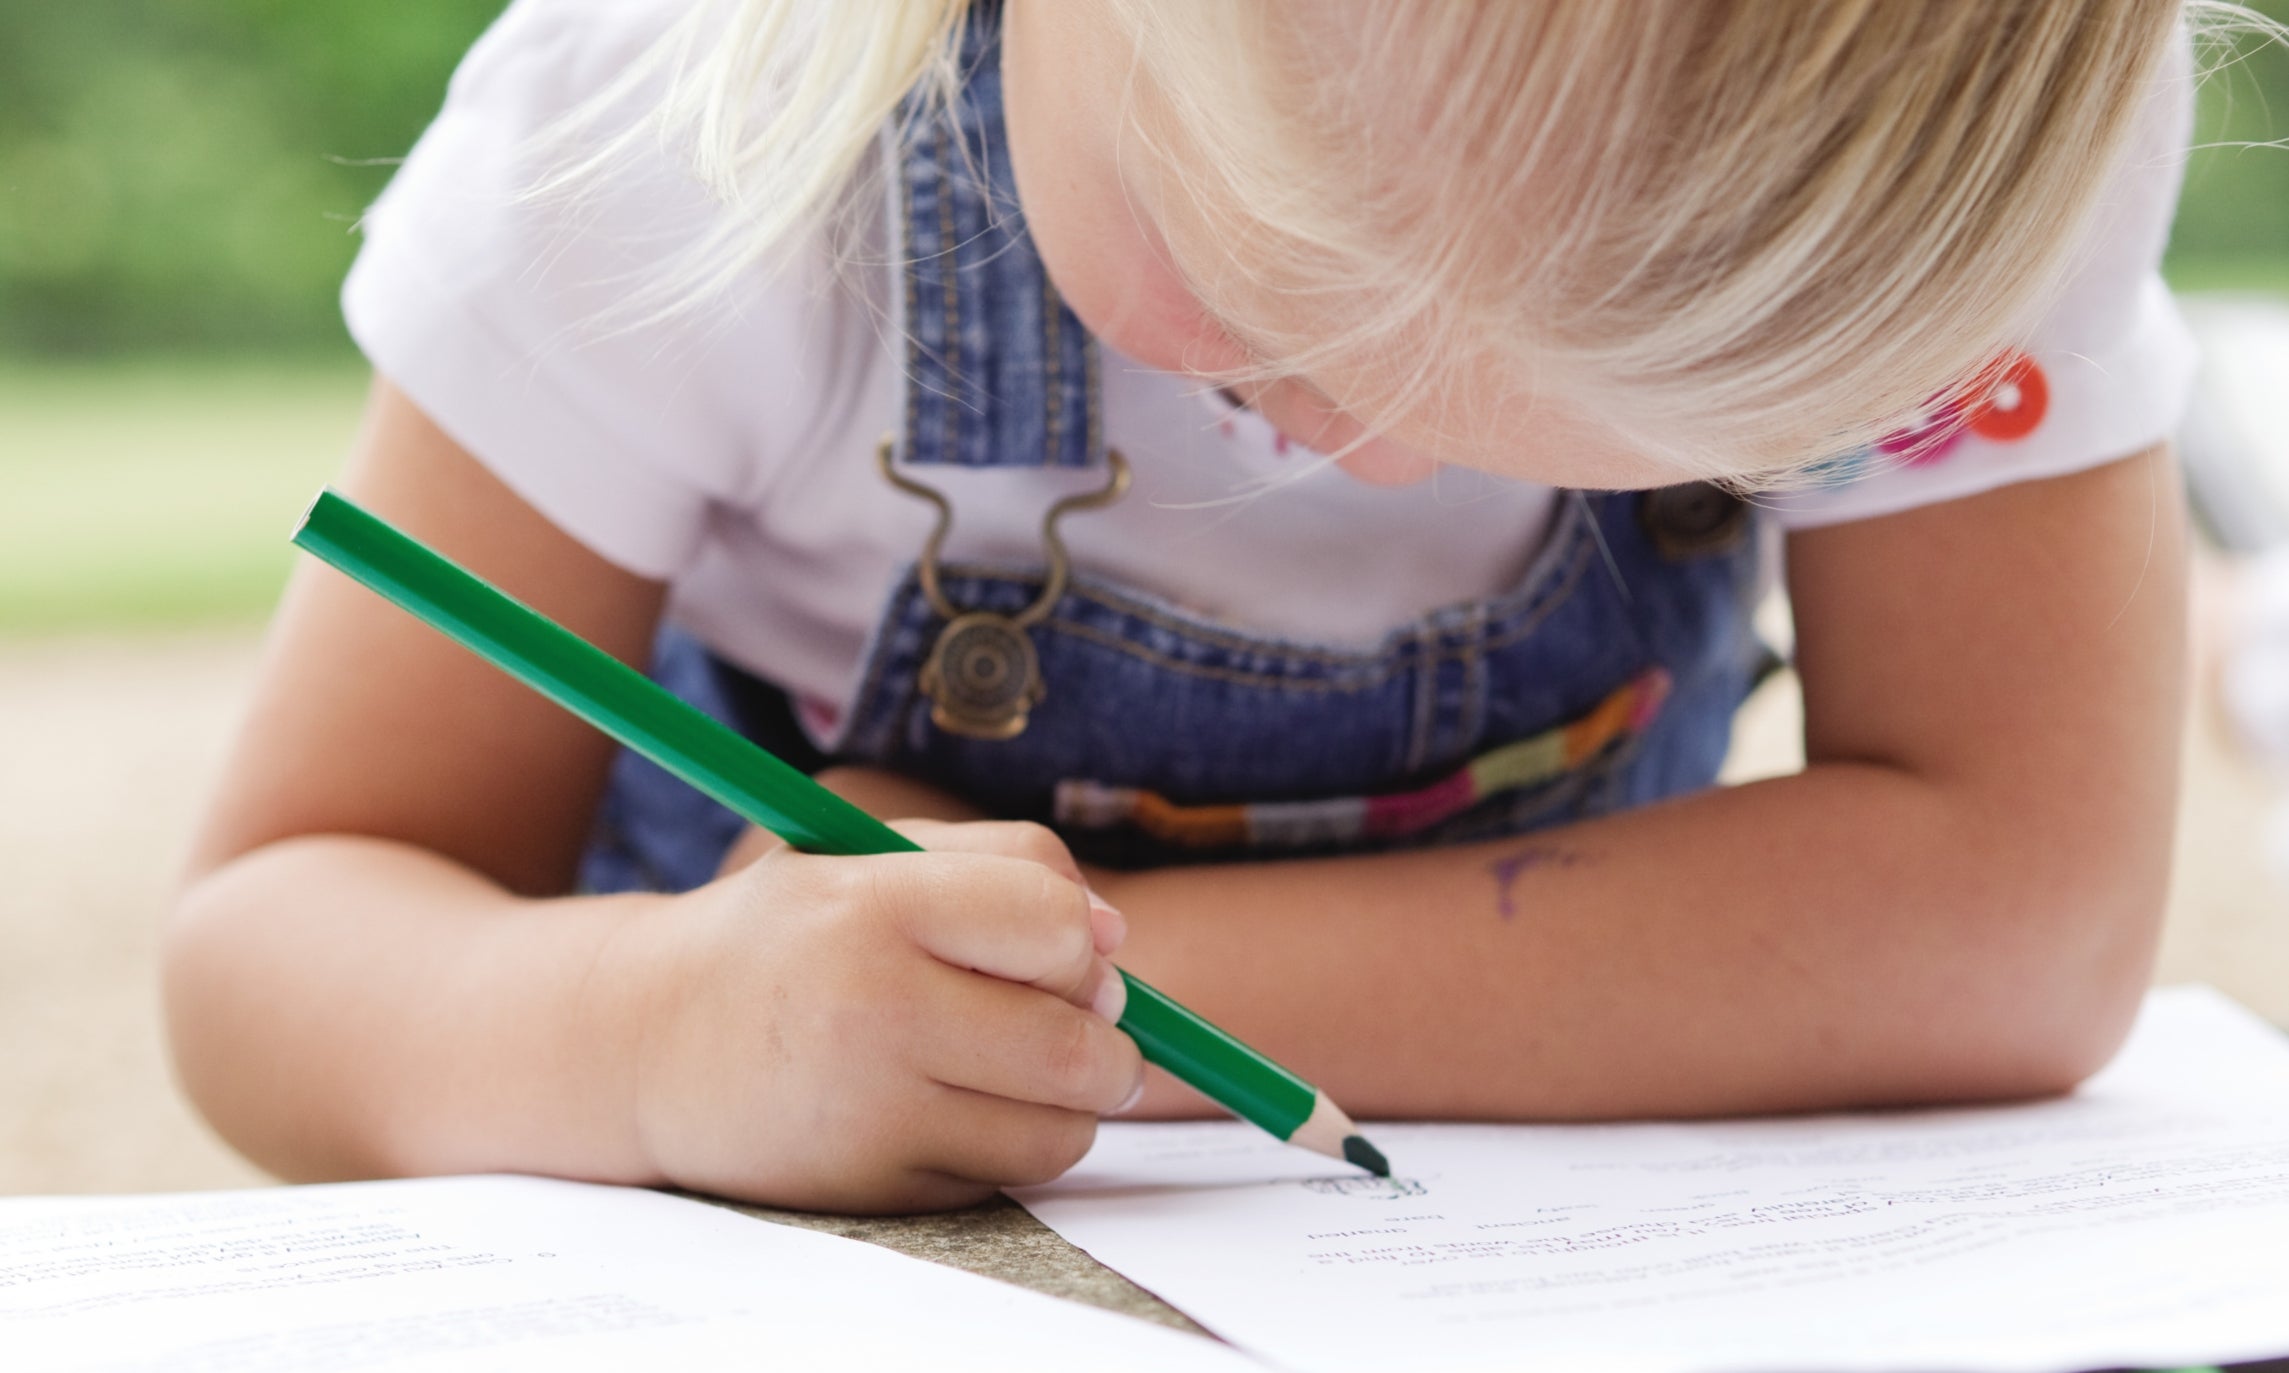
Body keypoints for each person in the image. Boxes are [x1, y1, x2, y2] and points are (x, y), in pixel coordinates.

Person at [166, 0, 2208, 1213]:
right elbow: (275, 939)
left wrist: (1074, 1013)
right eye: (1267, 322)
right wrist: (670, 1037)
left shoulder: (1930, 137)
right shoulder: (677, 134)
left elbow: (2016, 916)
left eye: (1580, 422)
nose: (1364, 455)